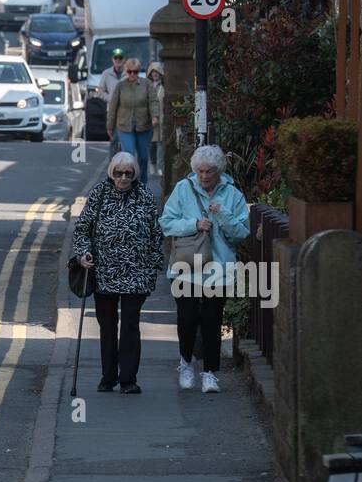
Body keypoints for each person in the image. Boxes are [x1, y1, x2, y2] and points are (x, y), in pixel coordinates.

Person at [159, 144, 250, 395]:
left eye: (209, 171)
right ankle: (186, 363)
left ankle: (210, 373)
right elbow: (166, 224)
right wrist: (194, 224)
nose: (204, 176)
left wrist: (223, 216)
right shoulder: (183, 189)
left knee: (212, 320)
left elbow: (242, 233)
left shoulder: (232, 195)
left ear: (218, 170)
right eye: (199, 171)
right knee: (187, 318)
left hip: (218, 268)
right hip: (186, 266)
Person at [71, 152, 164, 394]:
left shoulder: (143, 195)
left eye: (128, 173)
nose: (123, 178)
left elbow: (156, 233)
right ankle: (108, 376)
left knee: (131, 325)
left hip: (137, 273)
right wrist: (84, 253)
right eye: (119, 173)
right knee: (108, 325)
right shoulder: (99, 193)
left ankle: (128, 379)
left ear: (135, 174)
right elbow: (82, 229)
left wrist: (153, 265)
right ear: (111, 173)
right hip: (105, 272)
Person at [106, 58, 159, 183]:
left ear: (138, 71)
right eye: (129, 72)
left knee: (143, 157)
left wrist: (155, 116)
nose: (132, 75)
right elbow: (113, 106)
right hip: (124, 126)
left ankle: (142, 184)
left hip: (143, 125)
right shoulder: (121, 86)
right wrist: (110, 125)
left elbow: (153, 101)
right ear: (126, 71)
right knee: (129, 155)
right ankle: (130, 183)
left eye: (135, 72)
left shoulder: (146, 84)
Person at [98, 48, 126, 157]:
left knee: (125, 138)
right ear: (112, 59)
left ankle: (125, 163)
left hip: (126, 109)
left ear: (124, 59)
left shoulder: (128, 73)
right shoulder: (106, 73)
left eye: (120, 58)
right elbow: (100, 90)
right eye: (116, 58)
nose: (118, 60)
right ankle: (112, 165)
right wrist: (109, 98)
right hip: (112, 110)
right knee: (114, 138)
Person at [146, 61, 165, 173]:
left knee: (161, 144)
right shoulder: (147, 87)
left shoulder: (164, 87)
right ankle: (152, 163)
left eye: (157, 72)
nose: (155, 74)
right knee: (151, 144)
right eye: (153, 72)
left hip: (162, 119)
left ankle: (160, 166)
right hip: (150, 119)